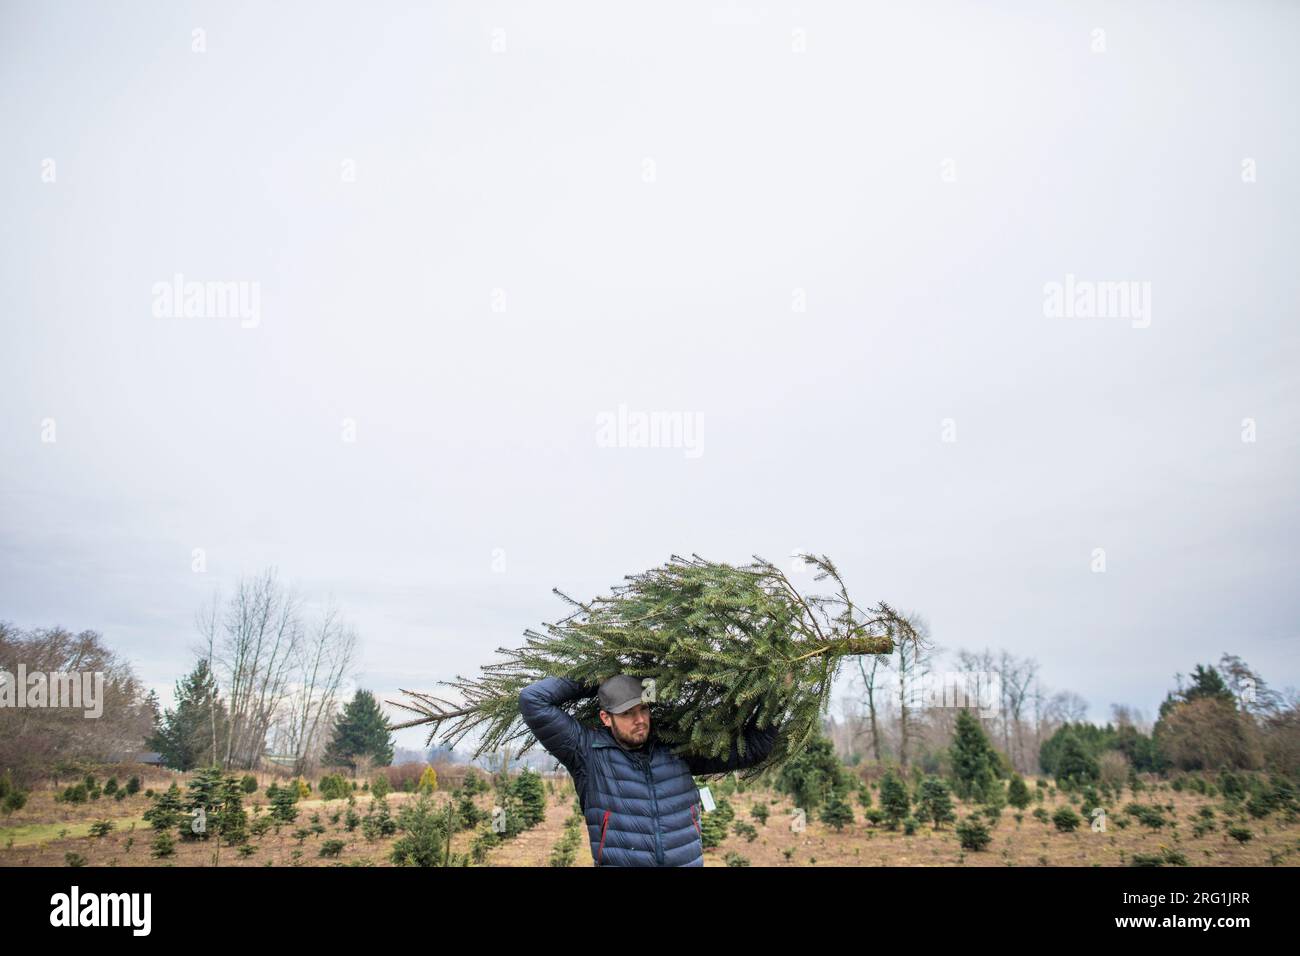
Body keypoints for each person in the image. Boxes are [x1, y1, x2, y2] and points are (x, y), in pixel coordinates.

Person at [518, 673, 780, 866]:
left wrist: (778, 692)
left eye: (643, 709)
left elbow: (754, 748)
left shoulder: (675, 748)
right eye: (627, 713)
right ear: (606, 718)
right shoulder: (587, 753)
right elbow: (533, 699)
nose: (640, 720)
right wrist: (600, 679)